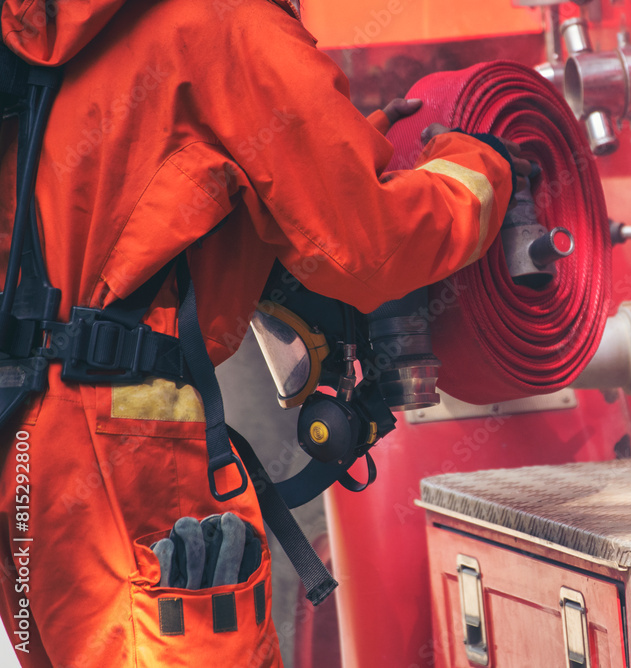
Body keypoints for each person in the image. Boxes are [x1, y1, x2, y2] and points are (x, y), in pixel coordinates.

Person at [0, 0, 528, 665]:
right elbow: (368, 249)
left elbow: (132, 188)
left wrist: (331, 152)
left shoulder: (44, 25)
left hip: (27, 443)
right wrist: (480, 169)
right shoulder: (224, 19)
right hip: (129, 454)